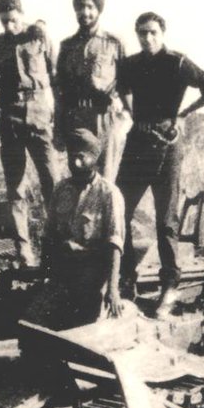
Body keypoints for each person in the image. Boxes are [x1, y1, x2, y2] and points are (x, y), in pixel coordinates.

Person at [115, 11, 204, 315]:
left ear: (162, 33)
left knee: (166, 222)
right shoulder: (131, 64)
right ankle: (125, 280)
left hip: (168, 145)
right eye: (142, 33)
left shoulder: (177, 62)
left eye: (152, 32)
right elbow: (122, 87)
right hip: (137, 142)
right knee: (119, 210)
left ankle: (170, 286)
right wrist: (131, 112)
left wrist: (183, 115)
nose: (147, 38)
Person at [0, 0, 56, 267]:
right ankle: (24, 251)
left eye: (13, 20)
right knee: (16, 189)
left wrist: (58, 118)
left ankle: (57, 247)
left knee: (53, 184)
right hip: (9, 117)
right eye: (4, 22)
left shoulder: (39, 37)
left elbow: (56, 79)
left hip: (39, 114)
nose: (9, 26)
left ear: (21, 15)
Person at [25, 128, 125, 329]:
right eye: (71, 155)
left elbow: (115, 245)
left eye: (80, 156)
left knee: (82, 328)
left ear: (94, 158)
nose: (74, 161)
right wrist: (45, 273)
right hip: (63, 273)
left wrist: (113, 289)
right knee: (33, 322)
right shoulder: (61, 189)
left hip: (93, 274)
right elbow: (49, 233)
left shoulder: (108, 194)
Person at [55, 0, 128, 183]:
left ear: (98, 9)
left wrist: (129, 116)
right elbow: (59, 91)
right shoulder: (67, 46)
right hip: (76, 119)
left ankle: (107, 215)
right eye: (80, 7)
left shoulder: (114, 43)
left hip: (105, 119)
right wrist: (59, 129)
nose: (85, 12)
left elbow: (126, 82)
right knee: (80, 178)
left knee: (105, 181)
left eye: (90, 7)